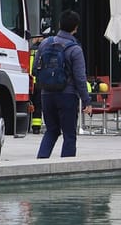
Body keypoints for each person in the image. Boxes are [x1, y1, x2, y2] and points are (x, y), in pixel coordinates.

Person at [34, 9, 92, 158]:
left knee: (51, 131)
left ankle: (40, 162)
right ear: (75, 28)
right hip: (67, 95)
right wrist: (86, 101)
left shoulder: (44, 44)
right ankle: (67, 167)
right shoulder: (75, 49)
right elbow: (80, 78)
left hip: (46, 94)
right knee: (69, 135)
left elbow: (35, 69)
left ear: (59, 24)